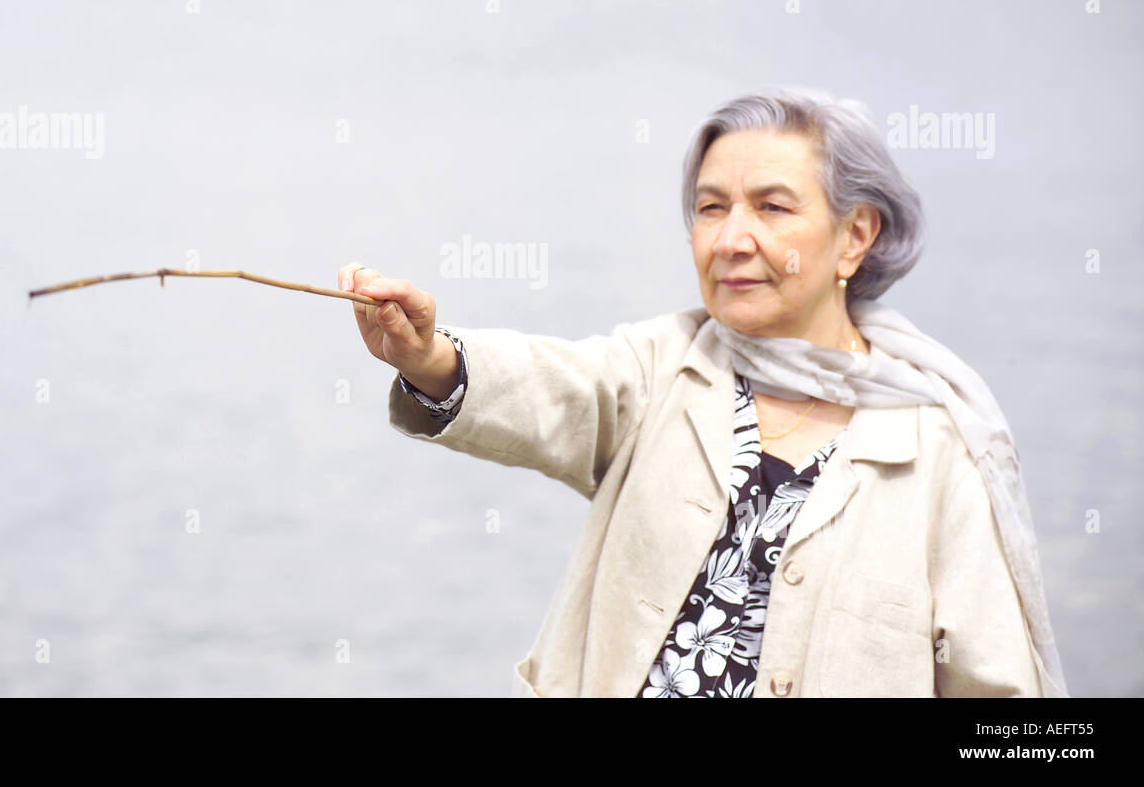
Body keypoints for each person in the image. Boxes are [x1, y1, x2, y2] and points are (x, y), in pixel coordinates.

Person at [338, 87, 1070, 698]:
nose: (730, 239)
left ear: (856, 235)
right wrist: (430, 356)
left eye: (773, 207)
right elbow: (553, 389)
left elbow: (998, 692)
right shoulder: (667, 366)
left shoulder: (939, 448)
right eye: (712, 207)